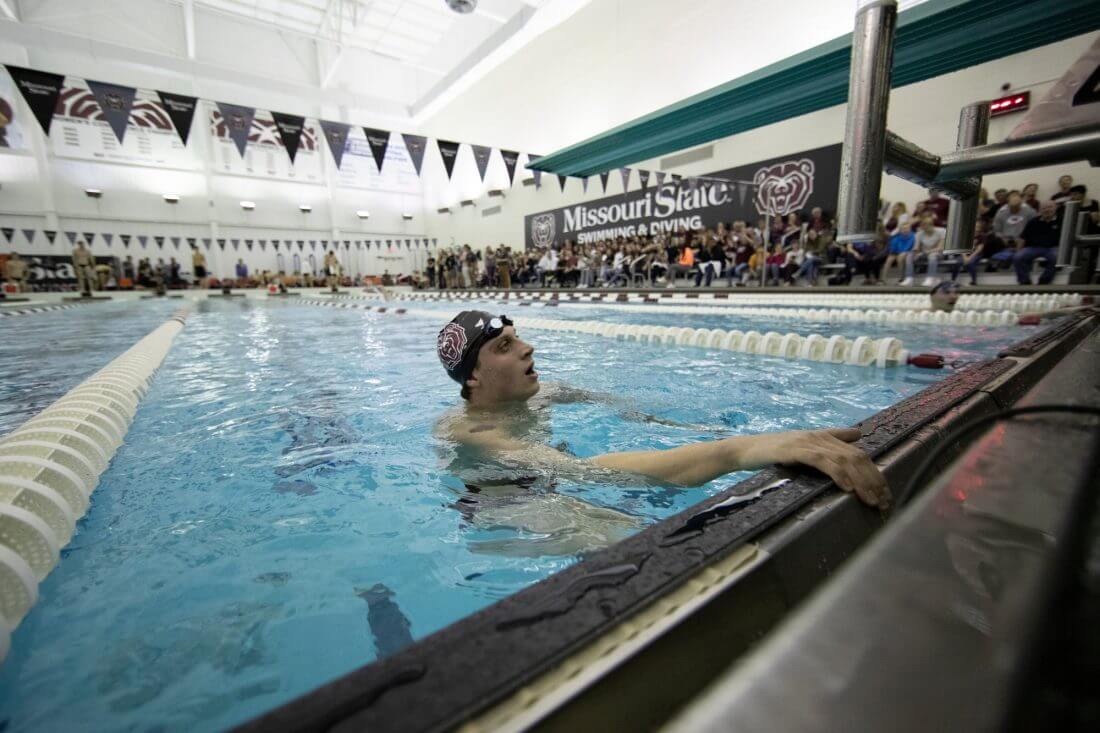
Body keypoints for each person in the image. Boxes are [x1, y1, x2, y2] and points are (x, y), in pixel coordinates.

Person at [434, 311, 890, 521]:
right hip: (503, 503)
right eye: (505, 346)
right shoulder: (474, 432)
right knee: (620, 535)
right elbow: (585, 471)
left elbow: (621, 407)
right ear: (473, 378)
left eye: (518, 337)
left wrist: (684, 429)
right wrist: (739, 450)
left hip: (550, 474)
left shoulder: (545, 394)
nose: (528, 347)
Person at [1014, 200, 1061, 285]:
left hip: (1053, 248)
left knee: (1057, 257)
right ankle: (1025, 282)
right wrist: (1018, 251)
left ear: (1055, 208)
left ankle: (1044, 282)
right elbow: (1022, 238)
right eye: (1044, 208)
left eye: (1050, 207)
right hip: (1033, 248)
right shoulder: (1033, 222)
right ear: (1040, 210)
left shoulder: (1062, 221)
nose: (1047, 210)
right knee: (1018, 257)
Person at [913, 215, 947, 286]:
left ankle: (930, 278)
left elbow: (940, 248)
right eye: (924, 226)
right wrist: (915, 253)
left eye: (928, 226)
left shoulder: (942, 231)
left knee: (932, 256)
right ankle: (908, 278)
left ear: (932, 225)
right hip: (924, 254)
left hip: (938, 253)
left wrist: (926, 252)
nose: (925, 228)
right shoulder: (919, 234)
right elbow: (916, 247)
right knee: (909, 256)